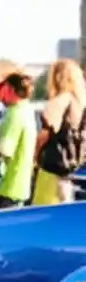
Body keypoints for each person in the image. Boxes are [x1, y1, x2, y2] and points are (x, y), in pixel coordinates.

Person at [32, 58, 86, 206]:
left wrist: (34, 156)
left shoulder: (59, 102)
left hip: (52, 168)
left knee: (44, 211)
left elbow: (45, 134)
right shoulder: (82, 103)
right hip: (75, 170)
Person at [0, 71, 37, 210]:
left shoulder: (13, 113)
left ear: (9, 88)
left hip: (6, 187)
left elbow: (2, 151)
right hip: (21, 186)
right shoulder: (28, 110)